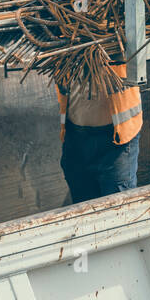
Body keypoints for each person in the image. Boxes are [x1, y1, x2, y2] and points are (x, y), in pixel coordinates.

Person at [56, 63, 142, 204]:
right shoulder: (65, 43)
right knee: (83, 209)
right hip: (75, 137)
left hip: (117, 141)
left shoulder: (118, 43)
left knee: (118, 209)